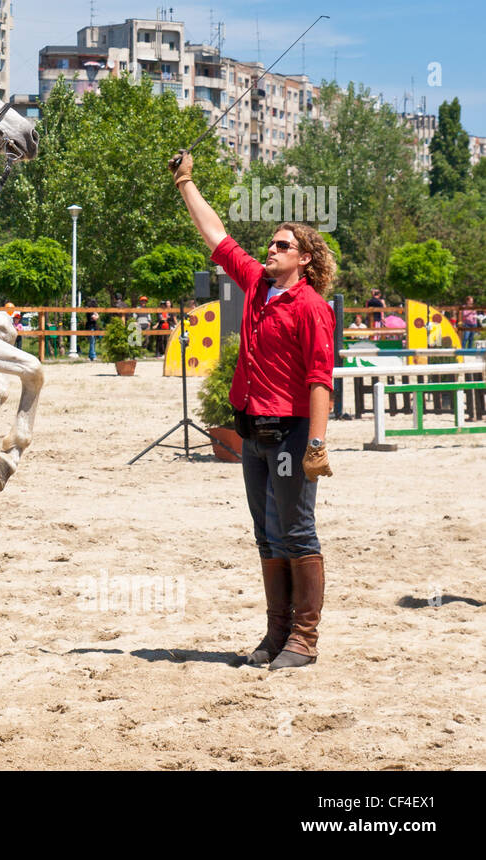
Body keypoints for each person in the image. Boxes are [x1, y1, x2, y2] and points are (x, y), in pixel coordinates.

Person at [171, 149, 334, 671]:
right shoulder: (258, 285)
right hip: (252, 431)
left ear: (304, 258)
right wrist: (186, 183)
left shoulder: (311, 307)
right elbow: (217, 235)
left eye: (282, 244)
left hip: (290, 434)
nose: (271, 248)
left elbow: (319, 380)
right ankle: (276, 633)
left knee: (296, 530)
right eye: (271, 242)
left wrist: (316, 443)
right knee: (266, 532)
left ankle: (304, 640)